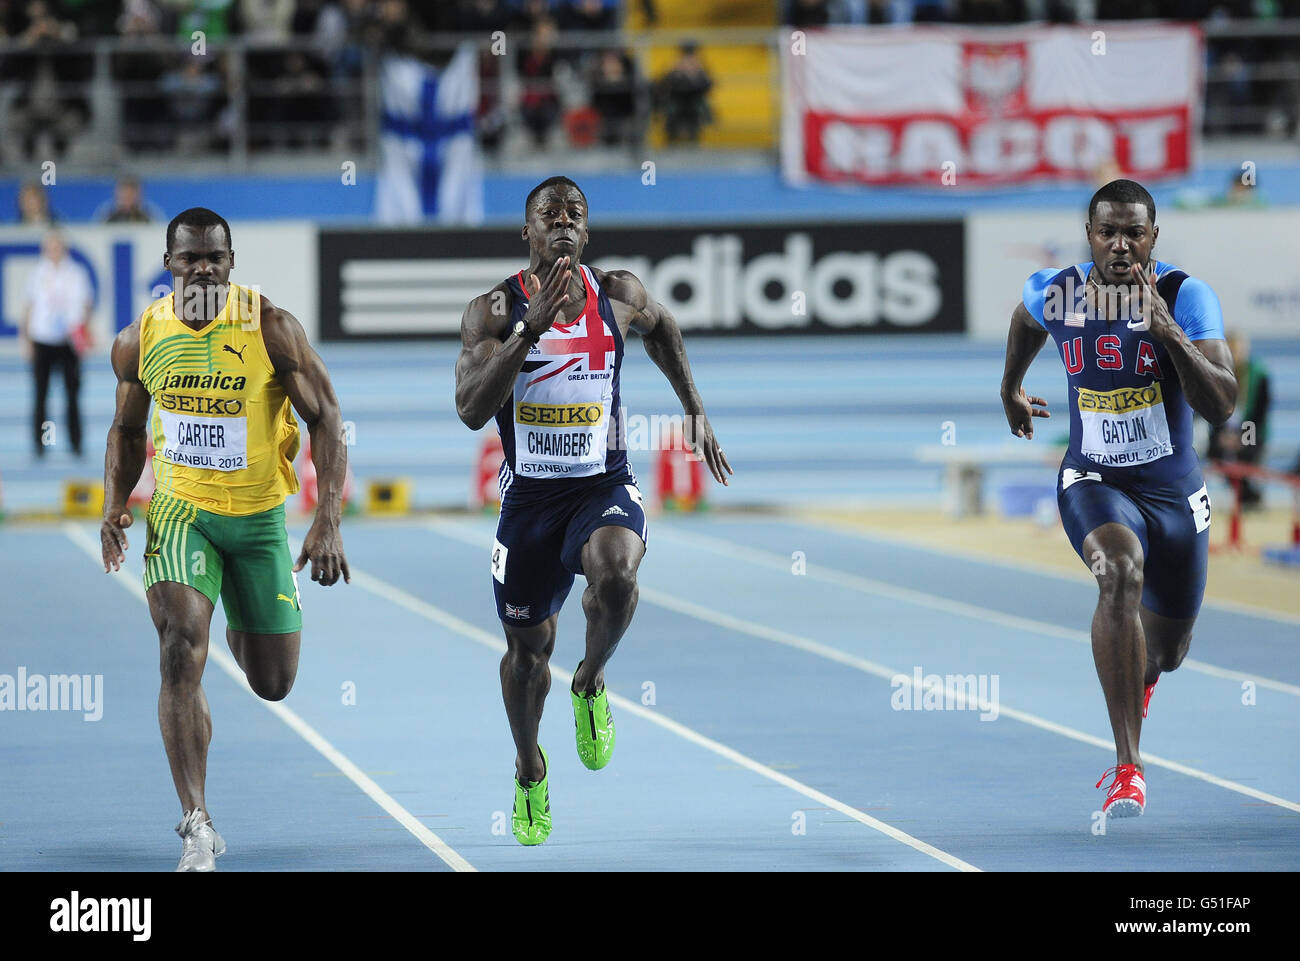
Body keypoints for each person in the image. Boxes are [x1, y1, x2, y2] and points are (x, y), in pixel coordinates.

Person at [454, 176, 732, 846]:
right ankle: (528, 769)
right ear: (527, 233)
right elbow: (470, 410)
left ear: (587, 230)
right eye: (548, 214)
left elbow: (664, 330)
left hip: (601, 484)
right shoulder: (492, 310)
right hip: (528, 503)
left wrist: (693, 406)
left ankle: (590, 679)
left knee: (617, 577)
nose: (563, 222)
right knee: (526, 655)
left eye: (575, 213)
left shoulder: (619, 294)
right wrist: (529, 331)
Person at [99, 207, 351, 871]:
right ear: (169, 266)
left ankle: (243, 608)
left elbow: (327, 419)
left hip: (260, 518)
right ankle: (196, 820)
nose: (204, 267)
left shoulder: (270, 328)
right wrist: (112, 504)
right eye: (191, 258)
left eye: (215, 256)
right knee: (179, 644)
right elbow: (125, 432)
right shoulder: (140, 339)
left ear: (231, 261)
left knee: (273, 681)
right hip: (182, 512)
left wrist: (327, 515)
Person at [1000, 179, 1236, 819]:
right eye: (1108, 231)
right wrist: (1010, 387)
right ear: (1090, 235)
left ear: (1154, 237)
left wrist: (1166, 333)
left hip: (1173, 492)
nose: (1121, 245)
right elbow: (1025, 318)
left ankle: (1144, 678)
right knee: (1119, 571)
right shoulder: (1058, 290)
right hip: (1094, 482)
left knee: (1168, 653)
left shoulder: (1187, 297)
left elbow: (1222, 407)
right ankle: (1128, 767)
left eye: (1135, 232)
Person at [20, 230, 91, 458]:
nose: (54, 251)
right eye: (50, 247)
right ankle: (41, 443)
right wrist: (26, 340)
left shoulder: (76, 273)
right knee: (41, 395)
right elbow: (28, 308)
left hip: (69, 341)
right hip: (43, 339)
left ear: (64, 248)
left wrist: (85, 335)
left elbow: (86, 306)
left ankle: (76, 443)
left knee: (72, 395)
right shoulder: (37, 274)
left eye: (58, 246)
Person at [1208, 331, 1271, 508]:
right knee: (1214, 450)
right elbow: (1212, 406)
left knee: (1246, 451)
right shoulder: (1218, 371)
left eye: (1239, 349)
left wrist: (1240, 436)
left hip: (1250, 428)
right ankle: (1243, 495)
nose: (1236, 353)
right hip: (1224, 428)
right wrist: (1222, 434)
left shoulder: (1259, 374)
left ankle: (1248, 496)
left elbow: (1260, 412)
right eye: (1232, 349)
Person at [95, 175, 164, 223]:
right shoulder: (107, 215)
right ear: (117, 194)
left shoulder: (150, 215)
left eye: (131, 195)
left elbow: (159, 234)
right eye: (124, 196)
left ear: (139, 195)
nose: (128, 199)